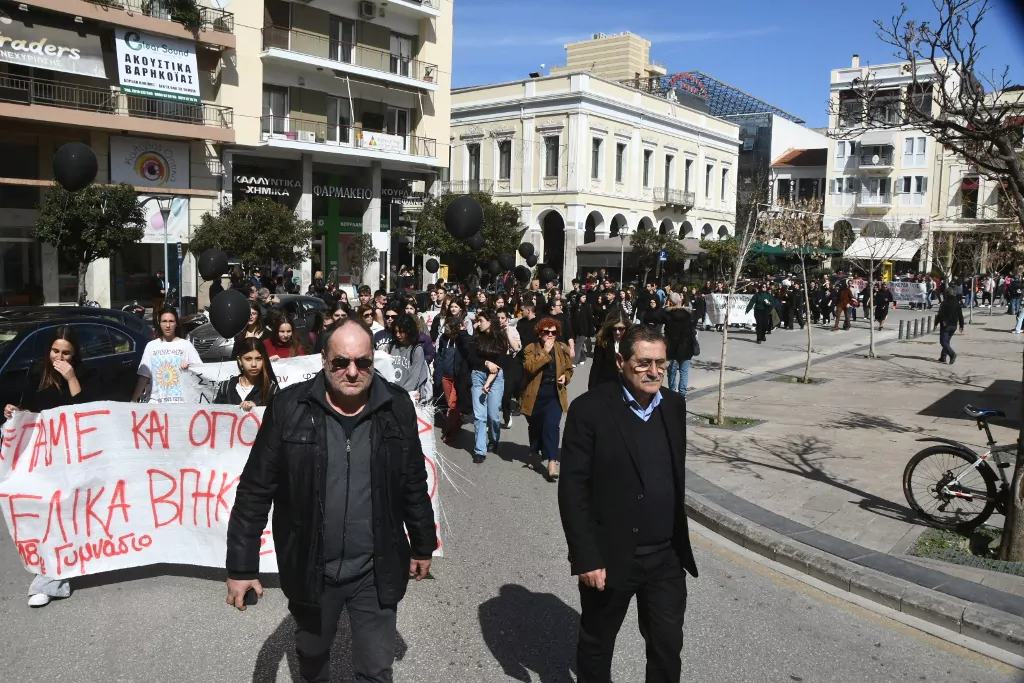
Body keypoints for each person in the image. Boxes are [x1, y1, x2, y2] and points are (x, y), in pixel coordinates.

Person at [225, 318, 437, 683]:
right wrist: (242, 568)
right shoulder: (289, 407)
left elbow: (413, 482)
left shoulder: (397, 407)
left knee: (375, 669)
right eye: (341, 362)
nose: (352, 372)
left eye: (363, 362)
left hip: (375, 565)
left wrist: (422, 544)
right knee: (312, 658)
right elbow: (255, 491)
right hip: (312, 566)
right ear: (324, 359)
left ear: (373, 360)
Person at [558, 325, 697, 683]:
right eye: (644, 363)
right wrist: (586, 557)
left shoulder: (674, 406)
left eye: (661, 364)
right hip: (611, 557)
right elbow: (573, 490)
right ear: (621, 361)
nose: (654, 372)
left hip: (666, 558)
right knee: (597, 645)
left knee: (667, 648)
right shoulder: (589, 410)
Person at [4, 326, 88, 607]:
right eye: (55, 351)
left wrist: (72, 378)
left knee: (64, 516)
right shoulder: (37, 374)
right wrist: (14, 411)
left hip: (71, 457)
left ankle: (53, 577)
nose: (59, 357)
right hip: (42, 458)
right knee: (45, 516)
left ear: (74, 355)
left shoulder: (85, 374)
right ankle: (50, 578)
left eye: (66, 352)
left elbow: (86, 414)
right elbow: (29, 412)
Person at [521, 316, 573, 480]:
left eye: (553, 332)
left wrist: (565, 377)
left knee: (551, 426)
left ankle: (552, 461)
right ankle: (534, 450)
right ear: (539, 333)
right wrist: (544, 352)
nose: (550, 335)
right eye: (546, 332)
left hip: (554, 394)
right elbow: (529, 367)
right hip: (535, 395)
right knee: (535, 427)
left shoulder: (562, 348)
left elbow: (569, 369)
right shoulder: (531, 348)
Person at [462, 309, 507, 463]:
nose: (478, 324)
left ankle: (494, 439)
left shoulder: (501, 337)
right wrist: (486, 363)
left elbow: (500, 362)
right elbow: (471, 358)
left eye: (481, 321)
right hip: (478, 376)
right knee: (479, 416)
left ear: (490, 321)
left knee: (493, 415)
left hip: (495, 378)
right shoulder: (476, 338)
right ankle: (480, 450)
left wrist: (489, 381)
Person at [132, 308, 201, 403]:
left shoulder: (186, 345)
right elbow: (144, 377)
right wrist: (133, 400)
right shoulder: (151, 346)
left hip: (180, 404)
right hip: (155, 404)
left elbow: (200, 372)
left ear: (176, 324)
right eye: (164, 321)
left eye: (171, 321)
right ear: (159, 323)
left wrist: (189, 366)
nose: (168, 325)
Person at [214, 338, 278, 410]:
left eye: (258, 358)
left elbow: (279, 417)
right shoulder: (226, 388)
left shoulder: (272, 390)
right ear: (240, 361)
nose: (254, 364)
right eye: (248, 359)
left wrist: (257, 410)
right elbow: (216, 416)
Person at [388, 314, 431, 402]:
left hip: (407, 395)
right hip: (391, 393)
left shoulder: (416, 350)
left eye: (401, 332)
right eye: (396, 331)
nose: (398, 335)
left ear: (409, 331)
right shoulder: (391, 346)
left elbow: (414, 377)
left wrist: (402, 394)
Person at [663, 292, 696, 395]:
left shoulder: (668, 315)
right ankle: (682, 394)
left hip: (673, 348)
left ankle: (672, 393)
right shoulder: (688, 314)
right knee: (684, 372)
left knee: (672, 372)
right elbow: (692, 330)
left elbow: (667, 331)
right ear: (680, 301)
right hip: (686, 347)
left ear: (671, 302)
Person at [589, 311, 630, 390]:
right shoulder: (603, 341)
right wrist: (591, 390)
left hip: (626, 385)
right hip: (606, 383)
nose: (617, 332)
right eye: (614, 329)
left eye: (621, 328)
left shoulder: (632, 340)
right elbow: (596, 366)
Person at [935, 287, 965, 364]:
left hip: (946, 325)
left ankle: (952, 354)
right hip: (954, 325)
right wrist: (961, 326)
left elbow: (940, 315)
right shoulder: (957, 304)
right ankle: (943, 357)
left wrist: (936, 323)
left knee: (943, 342)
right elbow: (960, 315)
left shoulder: (944, 303)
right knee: (947, 341)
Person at [572, 291, 596, 366]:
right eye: (583, 297)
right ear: (579, 297)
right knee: (580, 344)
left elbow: (589, 319)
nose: (584, 299)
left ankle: (574, 361)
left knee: (578, 344)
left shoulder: (587, 307)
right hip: (576, 329)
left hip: (584, 329)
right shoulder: (574, 306)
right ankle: (582, 357)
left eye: (585, 297)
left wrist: (590, 330)